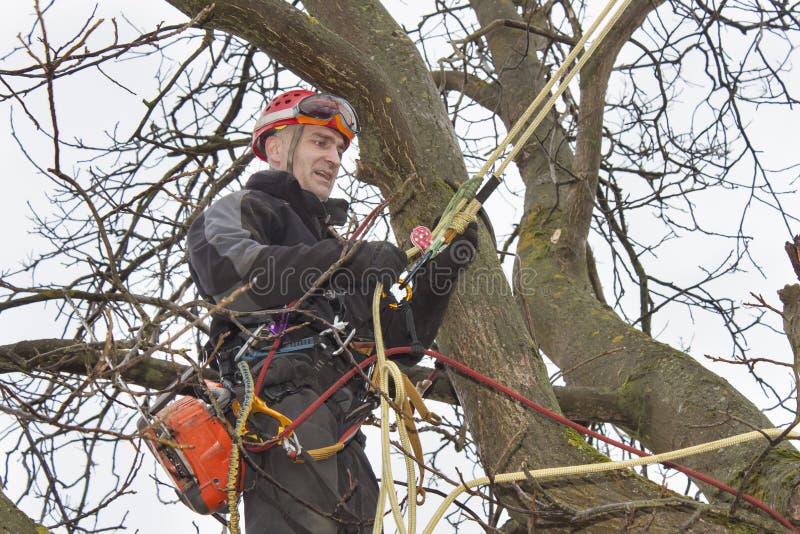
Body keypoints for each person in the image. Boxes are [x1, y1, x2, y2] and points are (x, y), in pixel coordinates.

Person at [187, 89, 477, 533]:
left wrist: (442, 271)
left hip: (342, 436)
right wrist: (346, 260)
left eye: (339, 149)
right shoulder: (240, 210)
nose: (335, 159)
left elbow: (395, 340)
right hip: (281, 413)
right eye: (320, 143)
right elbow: (236, 277)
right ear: (277, 146)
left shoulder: (332, 254)